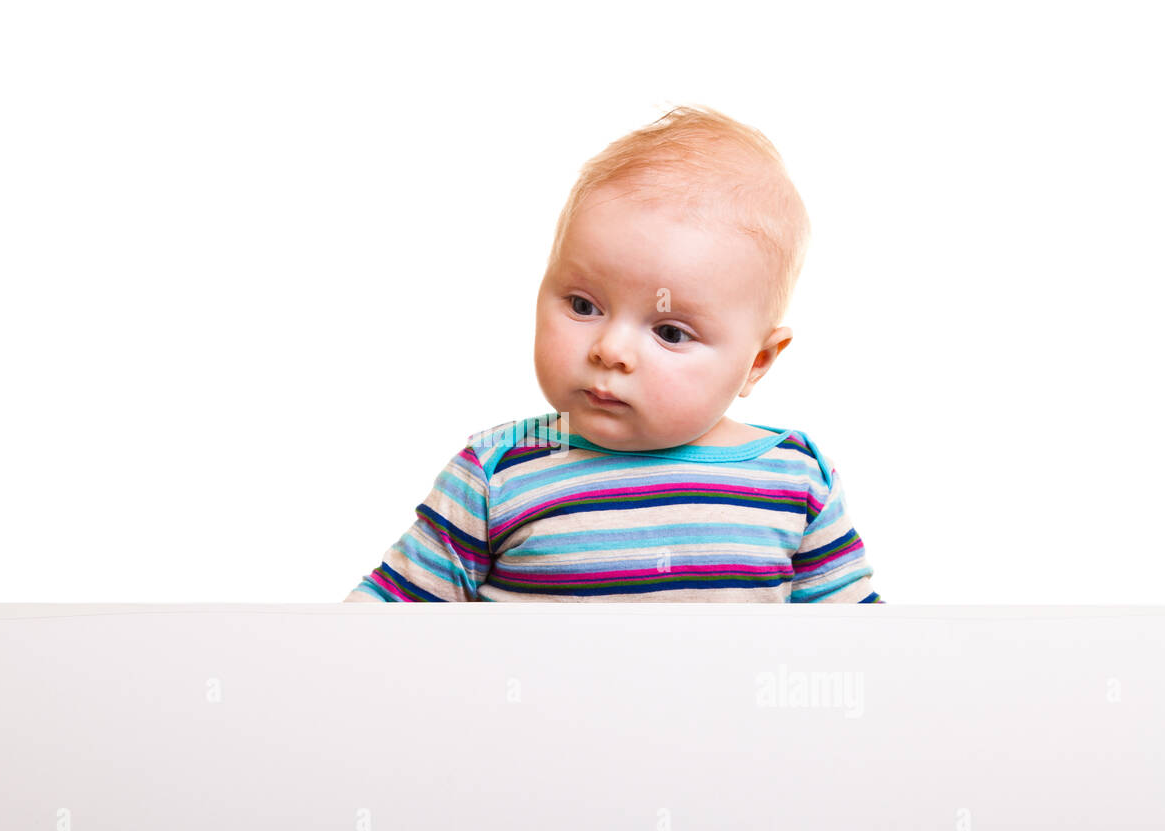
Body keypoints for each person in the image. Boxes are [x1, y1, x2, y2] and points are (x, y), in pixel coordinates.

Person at [346, 105, 881, 603]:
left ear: (758, 362)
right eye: (583, 304)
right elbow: (380, 627)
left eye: (670, 333)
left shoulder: (795, 481)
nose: (611, 350)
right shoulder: (497, 469)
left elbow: (872, 651)